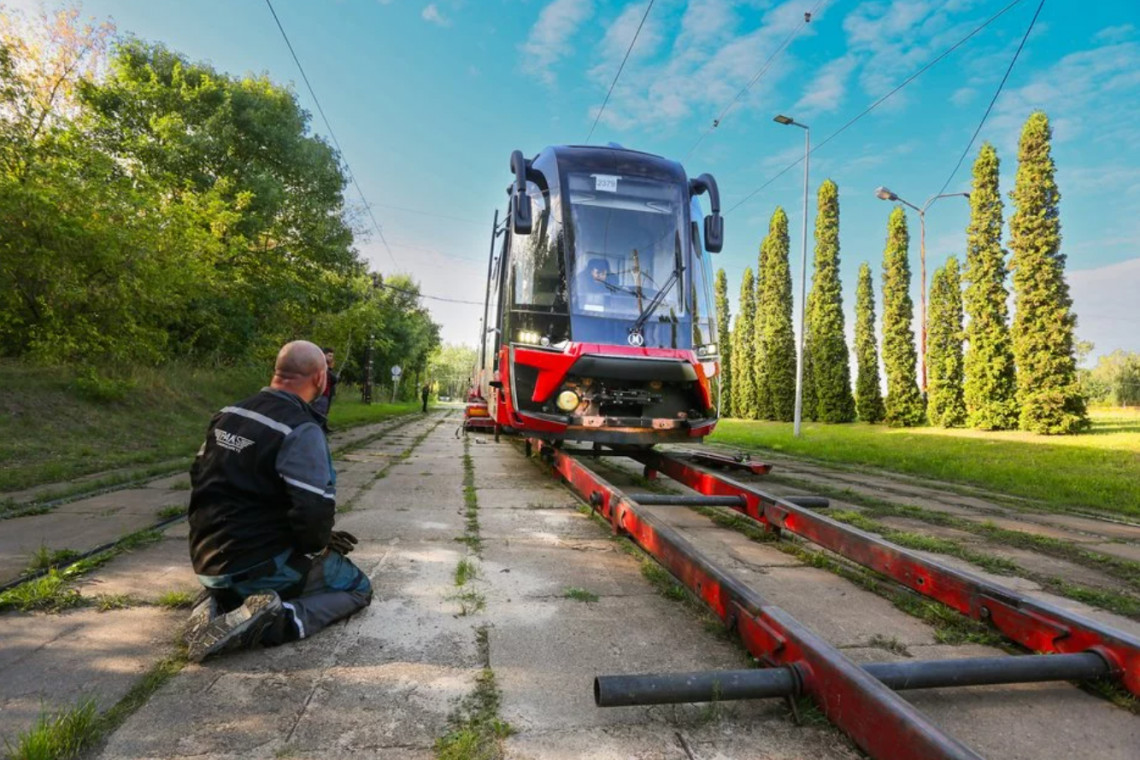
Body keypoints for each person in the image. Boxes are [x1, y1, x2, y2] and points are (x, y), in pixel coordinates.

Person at [183, 340, 372, 662]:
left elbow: (200, 477)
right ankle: (277, 618)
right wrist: (318, 545)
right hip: (256, 566)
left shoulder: (228, 414)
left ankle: (221, 599)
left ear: (277, 372)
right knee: (356, 587)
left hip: (205, 557)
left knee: (255, 563)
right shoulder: (301, 429)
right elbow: (313, 513)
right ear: (320, 379)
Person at [309, 347, 338, 418]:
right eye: (329, 356)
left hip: (326, 394)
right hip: (321, 394)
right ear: (324, 355)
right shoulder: (321, 366)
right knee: (319, 414)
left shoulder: (327, 367)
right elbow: (333, 379)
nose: (331, 358)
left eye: (332, 356)